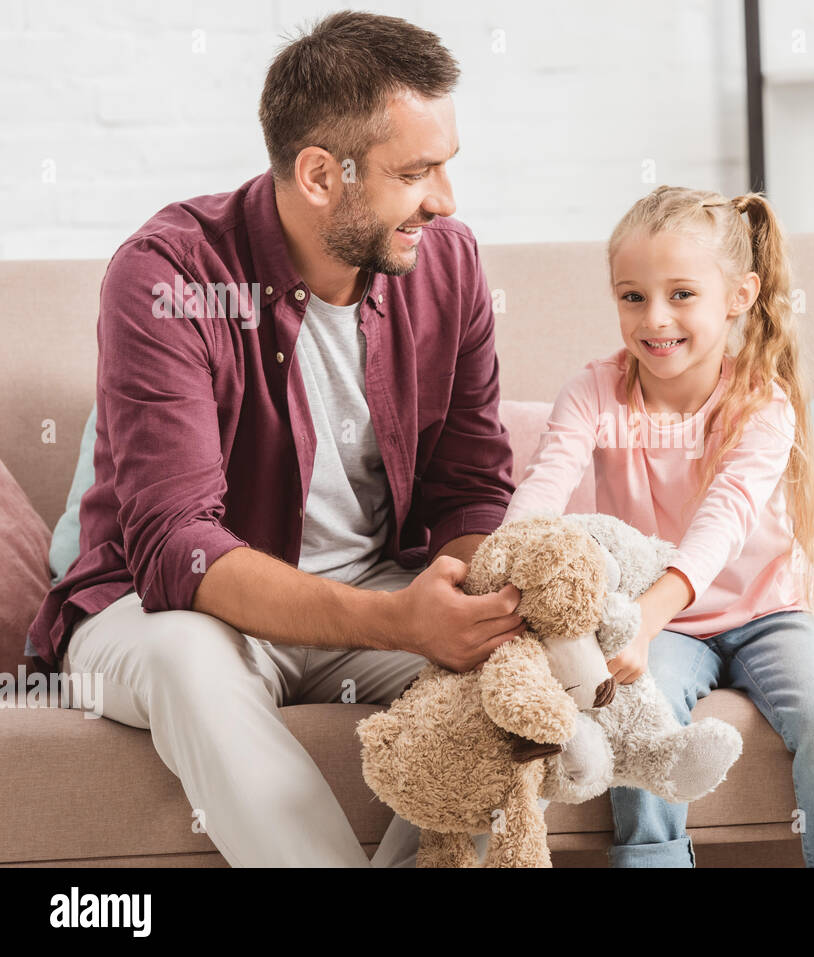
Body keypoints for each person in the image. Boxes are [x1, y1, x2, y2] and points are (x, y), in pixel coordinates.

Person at [24, 11, 526, 867]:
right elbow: (180, 546)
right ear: (322, 174)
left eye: (446, 165)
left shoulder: (449, 261)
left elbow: (470, 485)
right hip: (158, 610)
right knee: (188, 658)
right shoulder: (169, 275)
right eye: (416, 172)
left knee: (526, 670)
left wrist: (457, 603)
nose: (443, 199)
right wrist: (401, 622)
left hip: (372, 593)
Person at [504, 185, 814, 867]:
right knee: (642, 728)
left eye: (681, 294)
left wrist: (643, 616)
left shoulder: (763, 402)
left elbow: (722, 520)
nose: (656, 317)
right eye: (633, 296)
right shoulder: (592, 391)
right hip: (667, 622)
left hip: (768, 607)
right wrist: (504, 563)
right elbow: (545, 483)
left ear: (737, 296)